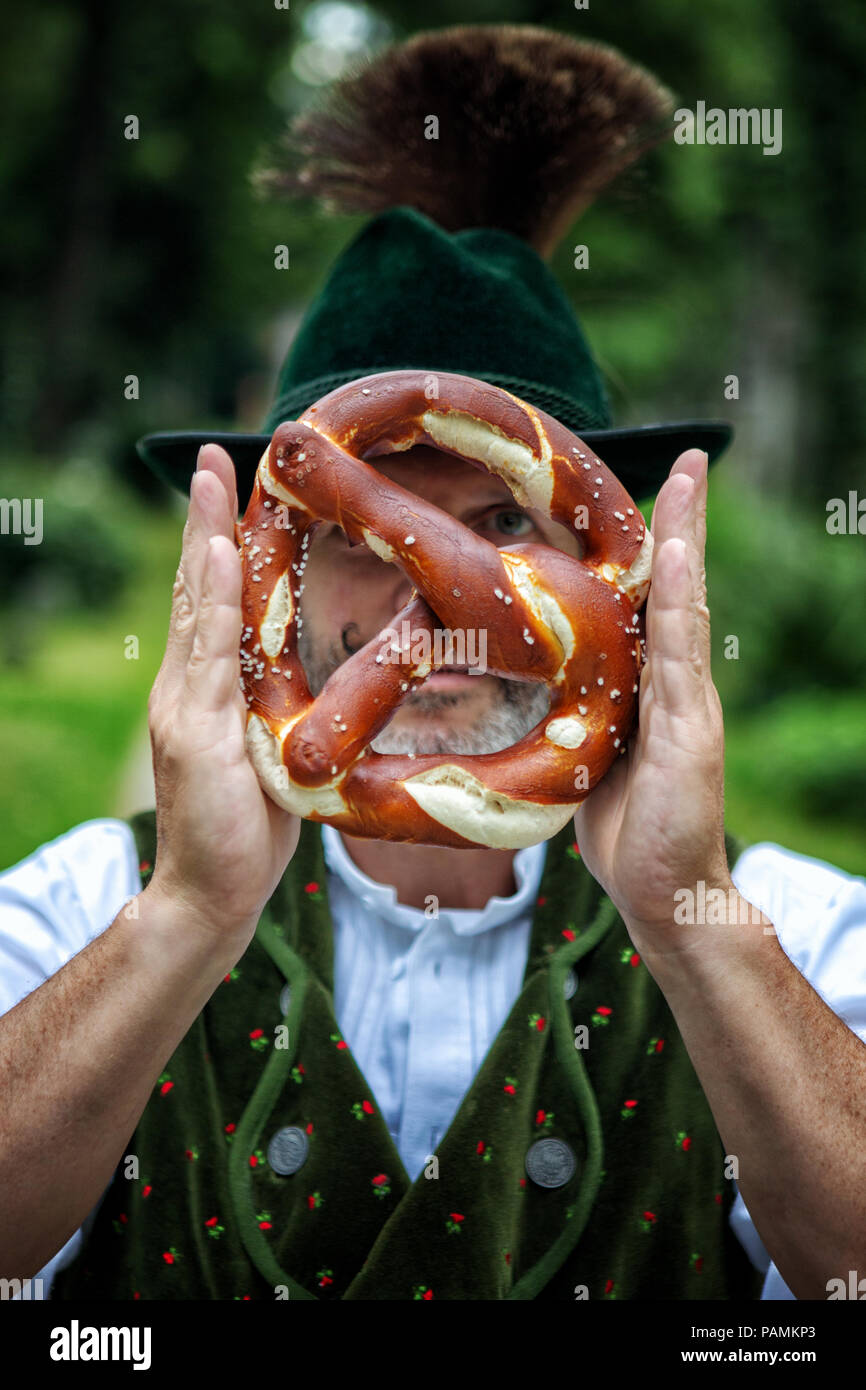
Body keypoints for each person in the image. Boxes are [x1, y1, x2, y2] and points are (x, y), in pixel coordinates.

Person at [2, 25, 865, 1302]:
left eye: (506, 520)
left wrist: (687, 917)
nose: (433, 586)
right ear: (264, 564)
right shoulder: (90, 909)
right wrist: (186, 915)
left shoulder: (786, 931)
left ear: (613, 574)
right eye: (362, 525)